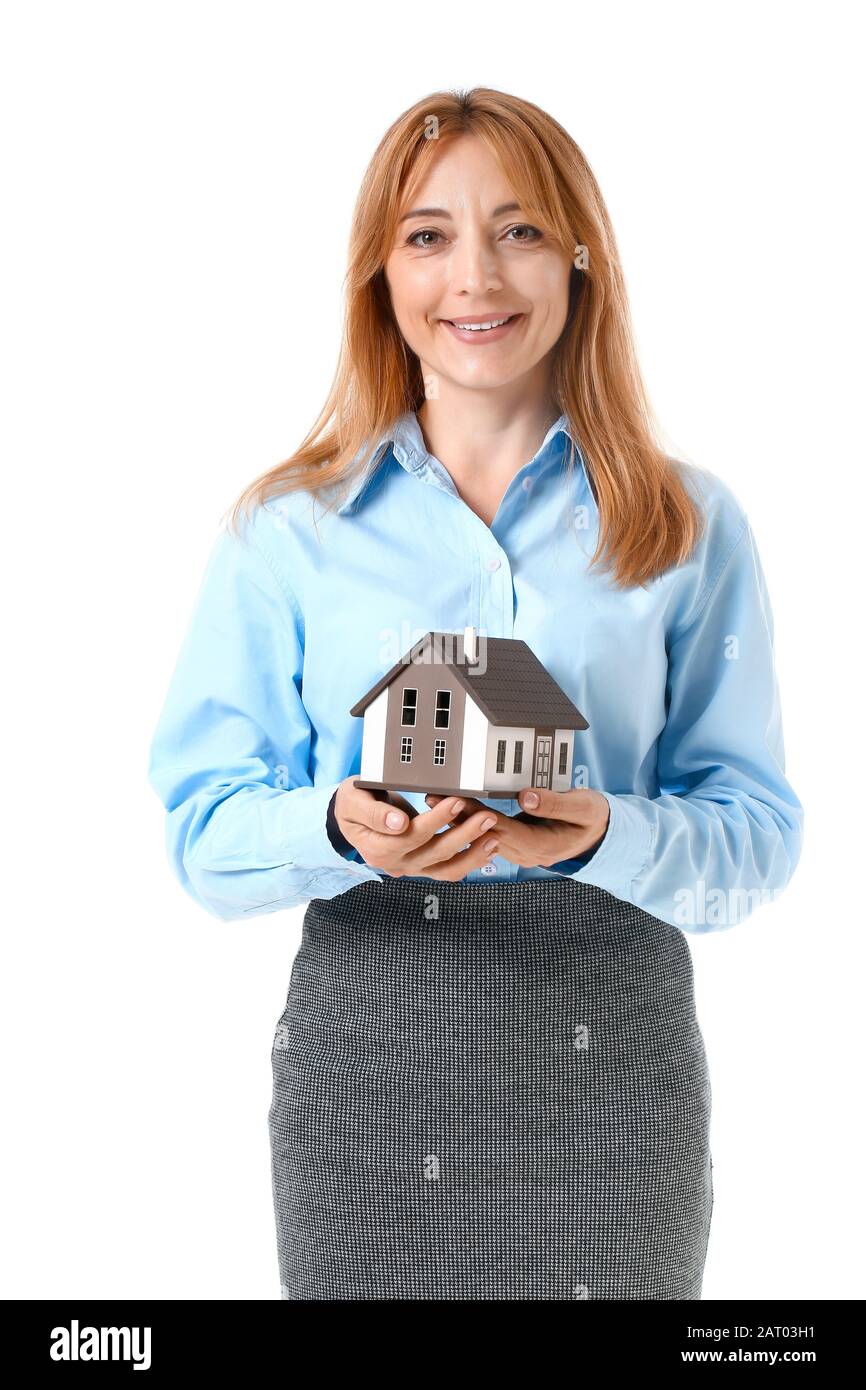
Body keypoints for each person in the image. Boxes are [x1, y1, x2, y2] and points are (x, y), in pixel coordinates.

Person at [148, 87, 804, 1300]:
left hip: (614, 1081)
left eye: (515, 228)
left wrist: (607, 829)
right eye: (426, 235)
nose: (473, 278)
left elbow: (756, 839)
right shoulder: (287, 531)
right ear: (378, 273)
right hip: (370, 1081)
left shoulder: (688, 526)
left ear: (575, 255)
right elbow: (200, 834)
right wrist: (338, 822)